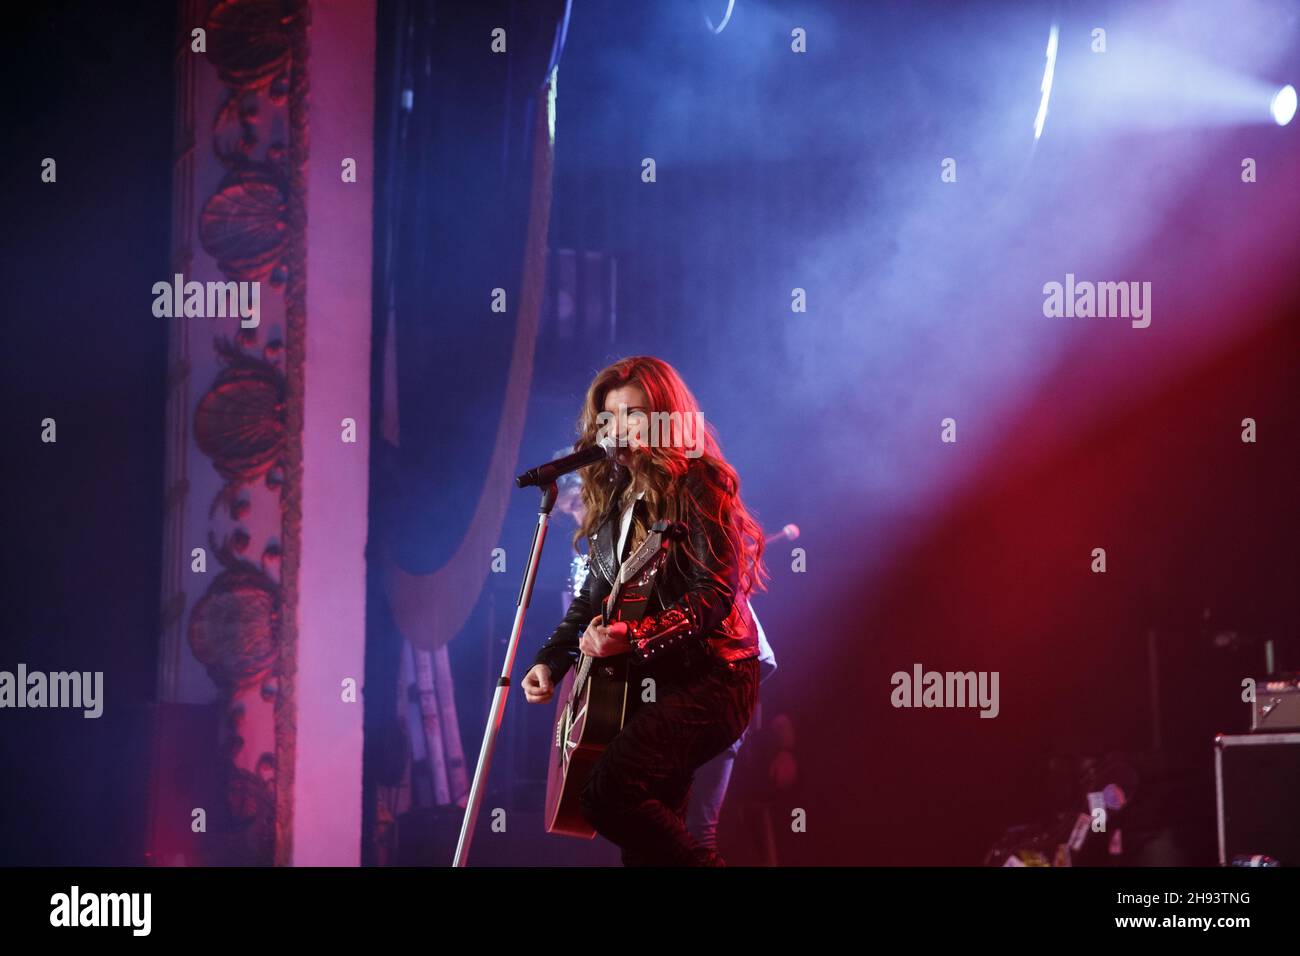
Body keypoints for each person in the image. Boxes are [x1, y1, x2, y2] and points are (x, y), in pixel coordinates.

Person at [521, 356, 767, 866]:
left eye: (634, 414)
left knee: (608, 794)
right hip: (659, 681)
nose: (620, 428)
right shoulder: (615, 502)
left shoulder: (701, 483)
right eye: (608, 417)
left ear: (664, 418)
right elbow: (593, 597)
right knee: (645, 845)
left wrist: (632, 638)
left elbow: (712, 593)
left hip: (716, 678)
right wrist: (550, 661)